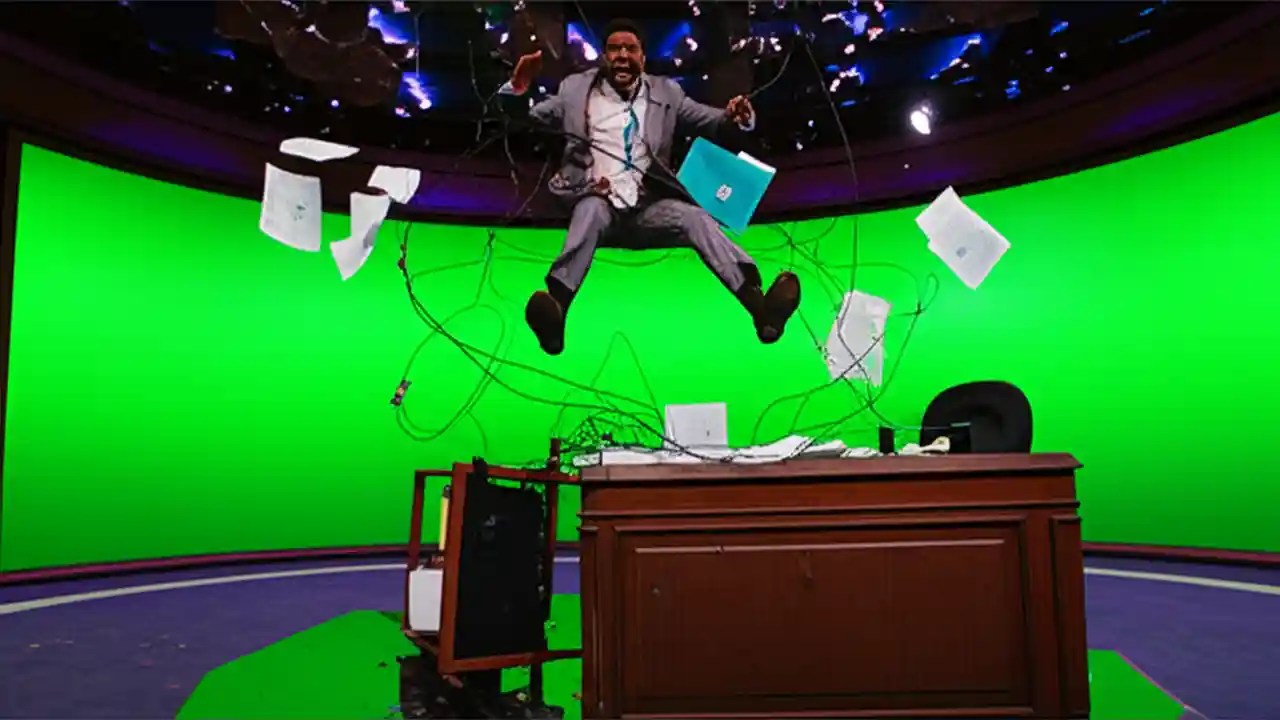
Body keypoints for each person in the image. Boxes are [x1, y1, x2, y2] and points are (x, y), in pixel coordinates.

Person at [504, 18, 800, 356]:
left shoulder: (667, 93)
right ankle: (555, 314)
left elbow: (714, 121)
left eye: (630, 48)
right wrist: (516, 88)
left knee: (695, 218)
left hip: (648, 210)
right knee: (591, 208)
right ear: (603, 56)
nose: (622, 55)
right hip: (598, 204)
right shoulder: (574, 90)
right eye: (614, 48)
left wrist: (738, 116)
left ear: (642, 59)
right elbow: (531, 116)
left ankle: (762, 312)